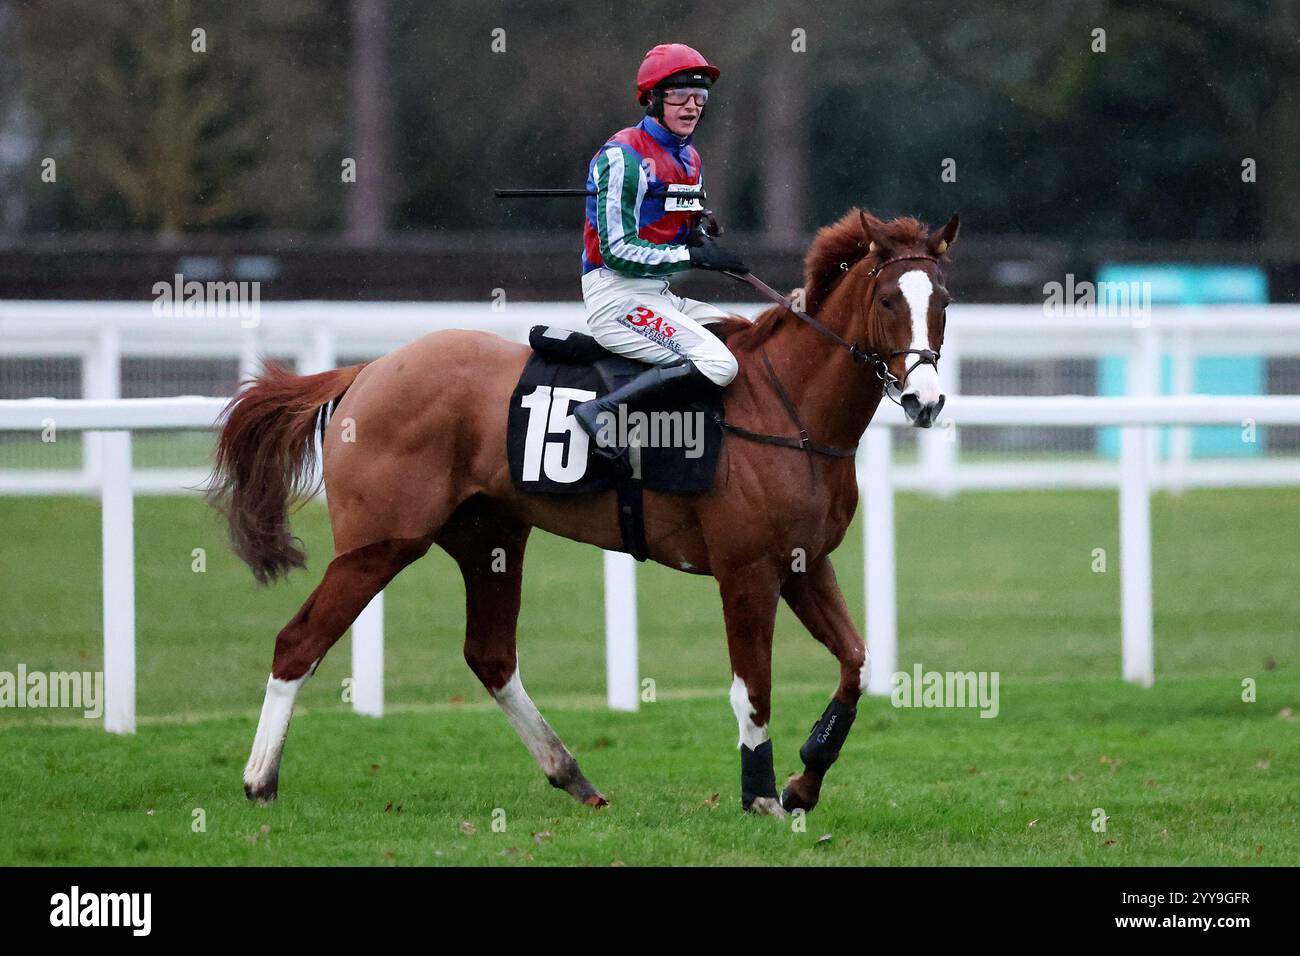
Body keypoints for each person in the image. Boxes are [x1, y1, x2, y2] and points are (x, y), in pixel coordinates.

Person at [573, 43, 750, 457]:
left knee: (748, 334)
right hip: (615, 296)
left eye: (700, 96)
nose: (692, 106)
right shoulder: (622, 156)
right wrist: (694, 257)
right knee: (720, 364)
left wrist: (698, 235)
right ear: (652, 99)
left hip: (658, 295)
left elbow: (679, 227)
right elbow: (616, 250)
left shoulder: (690, 158)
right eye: (679, 95)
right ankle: (603, 413)